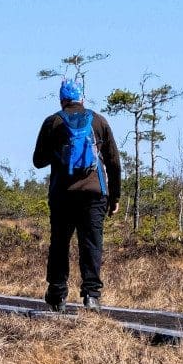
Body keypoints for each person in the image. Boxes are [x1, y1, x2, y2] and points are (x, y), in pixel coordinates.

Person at [31, 79, 121, 311]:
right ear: (82, 98)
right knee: (91, 244)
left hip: (63, 194)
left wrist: (59, 151)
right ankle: (91, 296)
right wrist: (115, 197)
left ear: (62, 99)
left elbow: (38, 161)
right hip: (94, 193)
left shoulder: (53, 122)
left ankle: (57, 294)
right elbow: (113, 162)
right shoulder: (99, 121)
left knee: (60, 244)